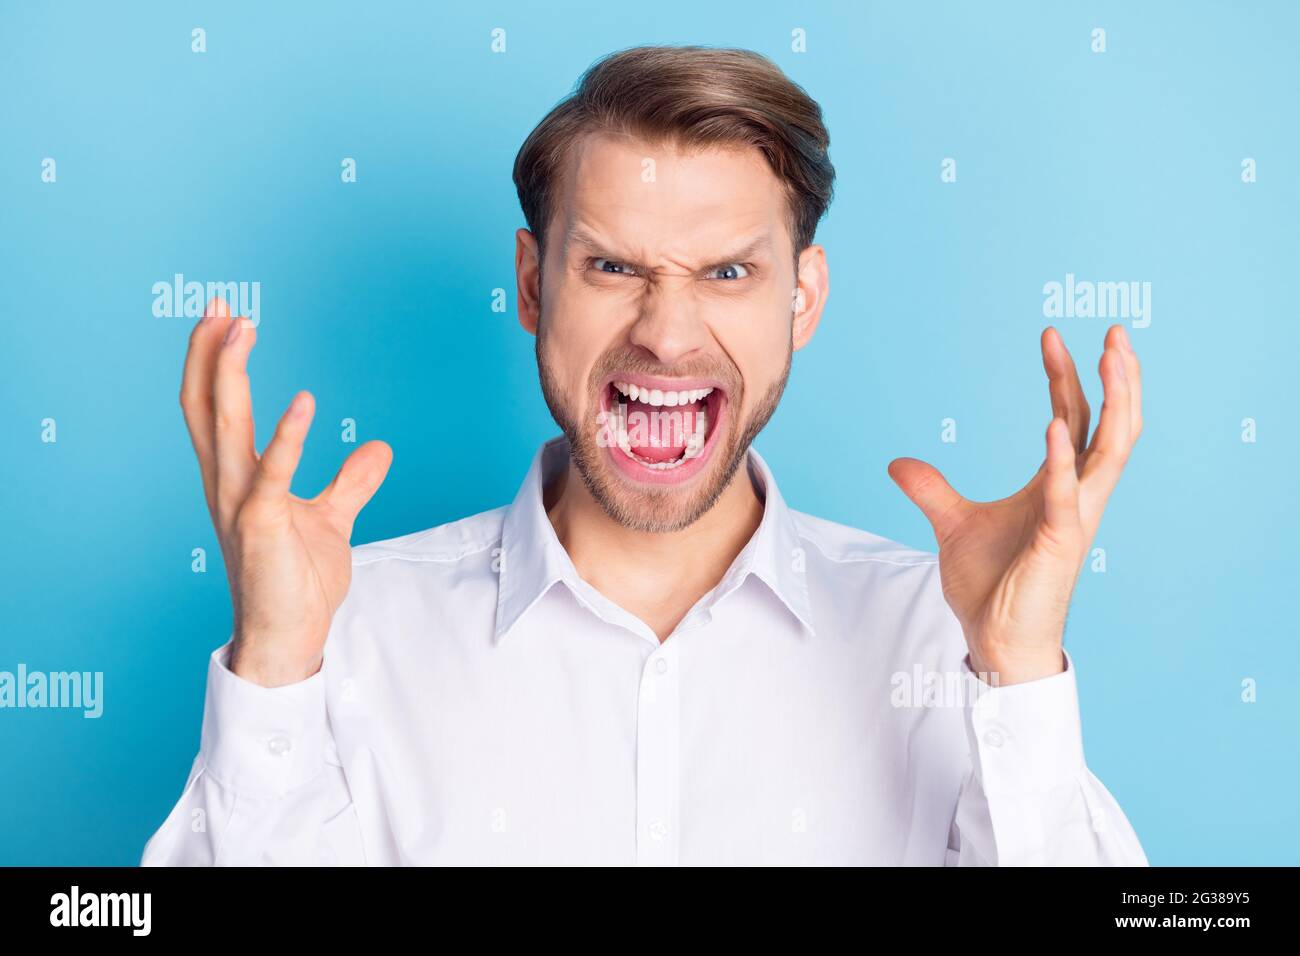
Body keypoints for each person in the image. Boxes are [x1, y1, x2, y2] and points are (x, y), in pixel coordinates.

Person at [143, 45, 1146, 866]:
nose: (667, 335)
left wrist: (1017, 674)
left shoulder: (949, 647)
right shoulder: (343, 637)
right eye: (613, 265)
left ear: (801, 298)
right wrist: (272, 669)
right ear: (533, 285)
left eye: (726, 270)